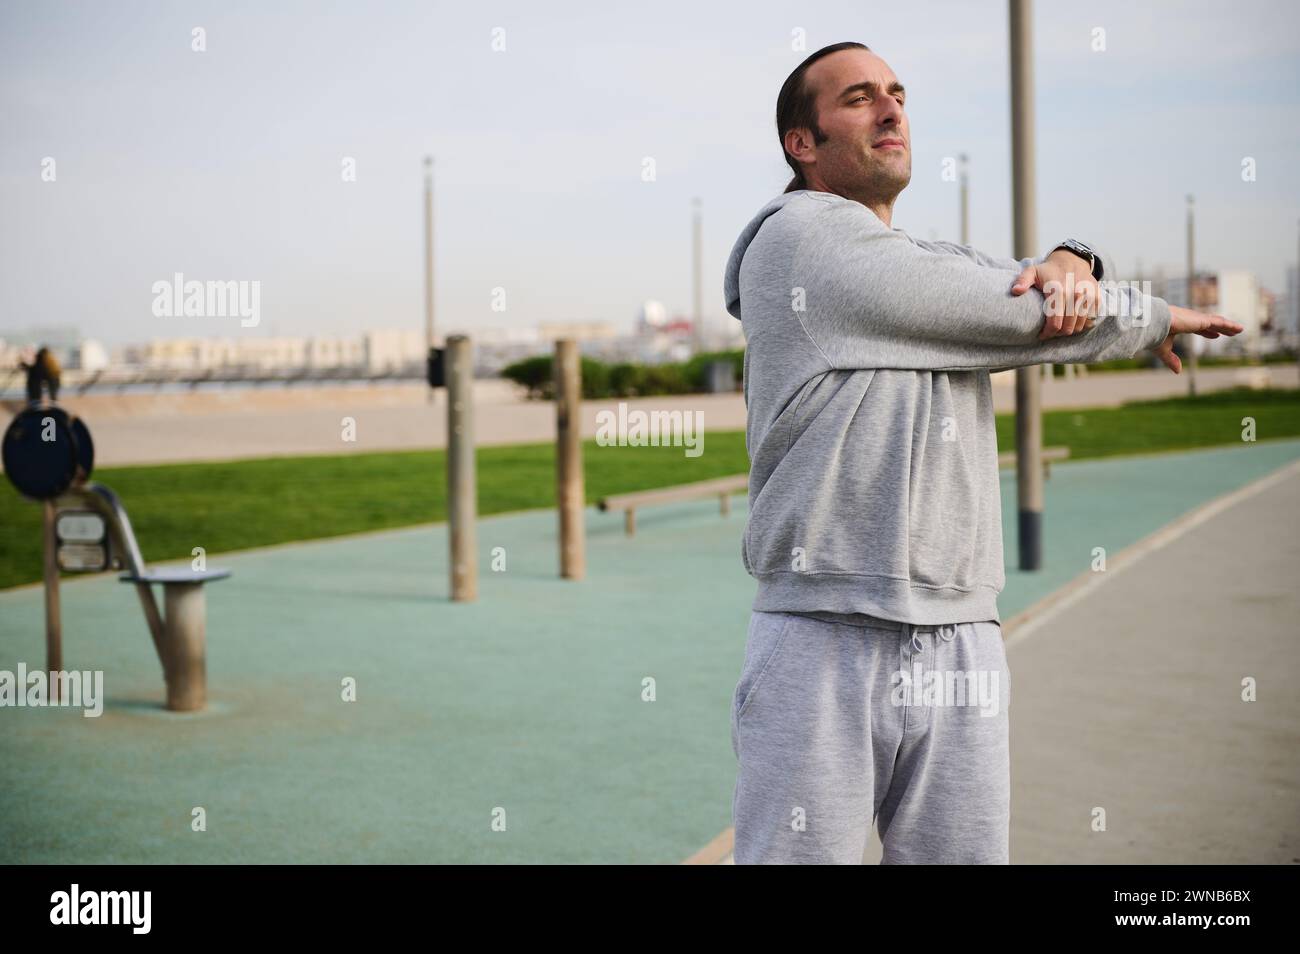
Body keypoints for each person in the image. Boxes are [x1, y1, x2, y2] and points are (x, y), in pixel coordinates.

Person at [723, 42, 1242, 864]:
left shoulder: (920, 262)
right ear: (803, 143)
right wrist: (1149, 316)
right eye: (859, 99)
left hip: (962, 629)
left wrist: (1075, 261)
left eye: (897, 93)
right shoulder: (798, 243)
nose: (892, 110)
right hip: (825, 632)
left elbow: (1019, 285)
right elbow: (1009, 312)